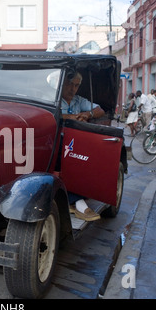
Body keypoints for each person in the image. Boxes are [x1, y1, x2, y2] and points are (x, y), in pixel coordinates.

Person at [60, 71, 104, 222]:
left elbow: (100, 110)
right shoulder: (55, 99)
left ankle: (80, 196)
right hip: (57, 141)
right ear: (63, 83)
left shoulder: (79, 100)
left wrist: (87, 114)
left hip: (76, 142)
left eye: (76, 85)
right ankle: (77, 202)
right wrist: (69, 117)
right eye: (70, 84)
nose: (72, 89)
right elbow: (51, 113)